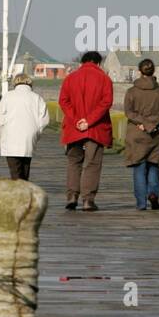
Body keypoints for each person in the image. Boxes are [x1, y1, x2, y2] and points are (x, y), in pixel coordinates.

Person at [58, 50, 114, 211]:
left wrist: (77, 120)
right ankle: (88, 200)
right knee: (92, 163)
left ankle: (71, 196)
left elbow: (63, 101)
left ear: (82, 62)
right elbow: (106, 102)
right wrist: (88, 121)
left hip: (73, 128)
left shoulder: (70, 79)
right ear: (98, 63)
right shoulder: (104, 79)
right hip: (95, 128)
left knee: (73, 162)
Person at [122, 58, 159, 210]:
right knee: (153, 165)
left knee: (139, 167)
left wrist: (142, 123)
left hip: (137, 133)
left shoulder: (131, 91)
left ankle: (141, 203)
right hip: (156, 134)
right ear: (153, 72)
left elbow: (129, 112)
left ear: (139, 72)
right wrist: (152, 123)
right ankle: (153, 193)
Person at [0, 73, 50, 180]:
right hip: (29, 135)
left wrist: (0, 133)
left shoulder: (8, 96)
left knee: (15, 169)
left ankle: (18, 191)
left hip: (10, 134)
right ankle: (25, 188)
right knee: (25, 167)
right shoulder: (36, 97)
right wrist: (37, 130)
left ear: (15, 83)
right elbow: (44, 119)